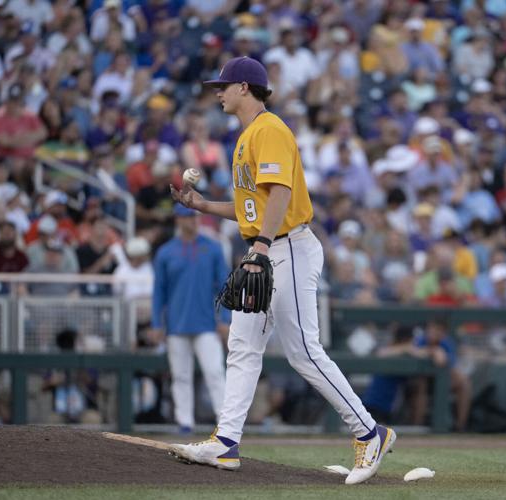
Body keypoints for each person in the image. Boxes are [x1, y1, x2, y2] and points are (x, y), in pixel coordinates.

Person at [169, 57, 395, 484]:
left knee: (303, 352)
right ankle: (226, 442)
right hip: (270, 244)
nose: (217, 92)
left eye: (224, 85)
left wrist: (259, 246)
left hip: (286, 247)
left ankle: (369, 432)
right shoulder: (248, 134)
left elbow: (280, 195)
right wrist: (202, 206)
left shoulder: (269, 129)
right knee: (242, 346)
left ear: (245, 88)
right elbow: (250, 208)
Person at [150, 204, 229, 435]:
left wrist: (225, 318)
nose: (192, 221)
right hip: (176, 324)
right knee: (181, 376)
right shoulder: (166, 252)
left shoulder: (213, 248)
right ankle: (185, 423)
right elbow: (159, 291)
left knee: (214, 372)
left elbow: (225, 285)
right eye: (187, 217)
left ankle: (226, 423)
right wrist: (157, 323)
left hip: (206, 323)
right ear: (178, 220)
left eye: (194, 216)